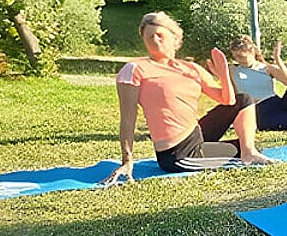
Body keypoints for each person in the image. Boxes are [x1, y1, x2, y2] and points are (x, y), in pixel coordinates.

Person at [102, 12, 274, 183]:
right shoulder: (135, 69)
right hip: (177, 153)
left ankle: (248, 151)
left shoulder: (191, 68)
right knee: (236, 151)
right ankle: (245, 153)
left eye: (160, 35)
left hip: (195, 135)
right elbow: (128, 117)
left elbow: (228, 101)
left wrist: (223, 76)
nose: (155, 40)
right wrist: (127, 160)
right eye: (149, 37)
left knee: (244, 101)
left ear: (175, 38)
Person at [228, 35, 287, 131]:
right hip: (260, 111)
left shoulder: (265, 67)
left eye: (240, 56)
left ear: (251, 52)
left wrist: (278, 59)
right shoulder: (232, 69)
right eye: (234, 56)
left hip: (276, 103)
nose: (237, 59)